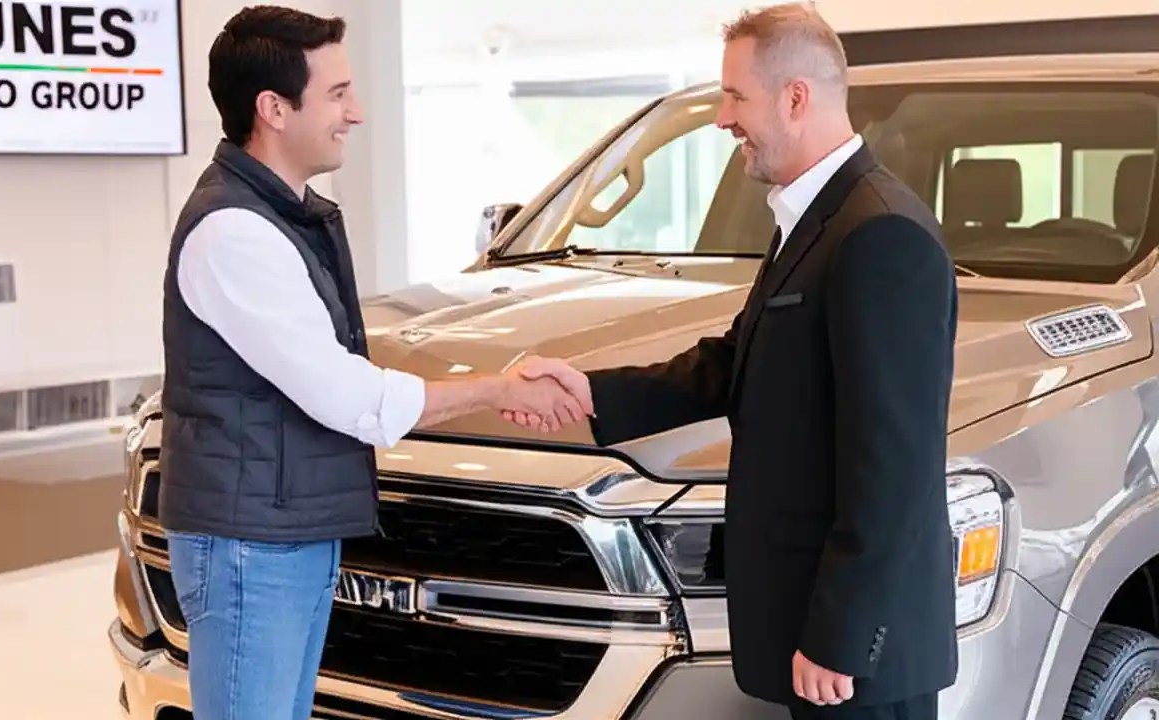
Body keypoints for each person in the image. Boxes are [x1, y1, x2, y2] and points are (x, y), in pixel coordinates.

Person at [507, 4, 958, 719]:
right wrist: (590, 391)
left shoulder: (880, 236)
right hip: (812, 630)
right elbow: (732, 365)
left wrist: (841, 635)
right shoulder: (817, 221)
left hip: (857, 660)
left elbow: (894, 465)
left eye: (735, 96)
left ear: (796, 98)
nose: (723, 119)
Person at [156, 7, 590, 719]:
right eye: (337, 94)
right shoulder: (234, 231)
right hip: (249, 546)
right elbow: (340, 392)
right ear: (273, 108)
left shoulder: (285, 215)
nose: (355, 113)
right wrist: (497, 389)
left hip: (281, 532)